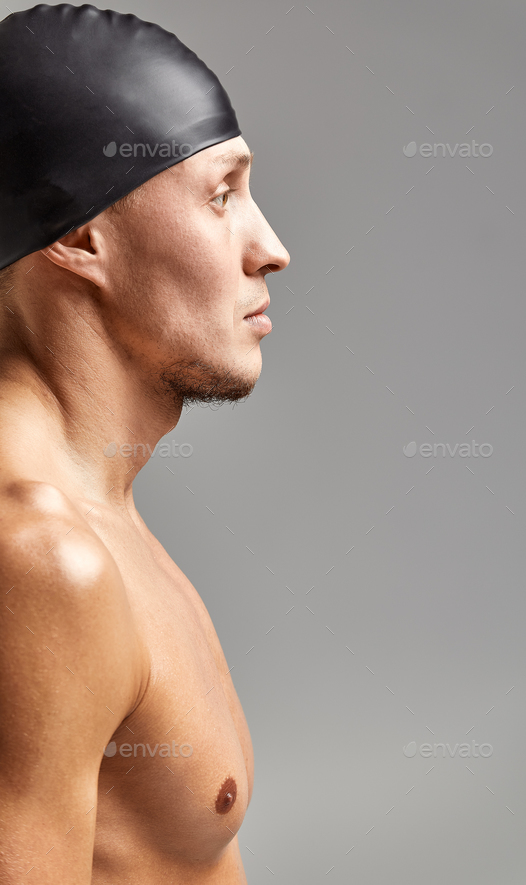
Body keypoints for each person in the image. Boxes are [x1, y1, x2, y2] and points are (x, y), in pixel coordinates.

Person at [0, 4, 290, 883]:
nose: (271, 248)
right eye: (220, 195)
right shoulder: (42, 561)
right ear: (81, 235)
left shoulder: (95, 516)